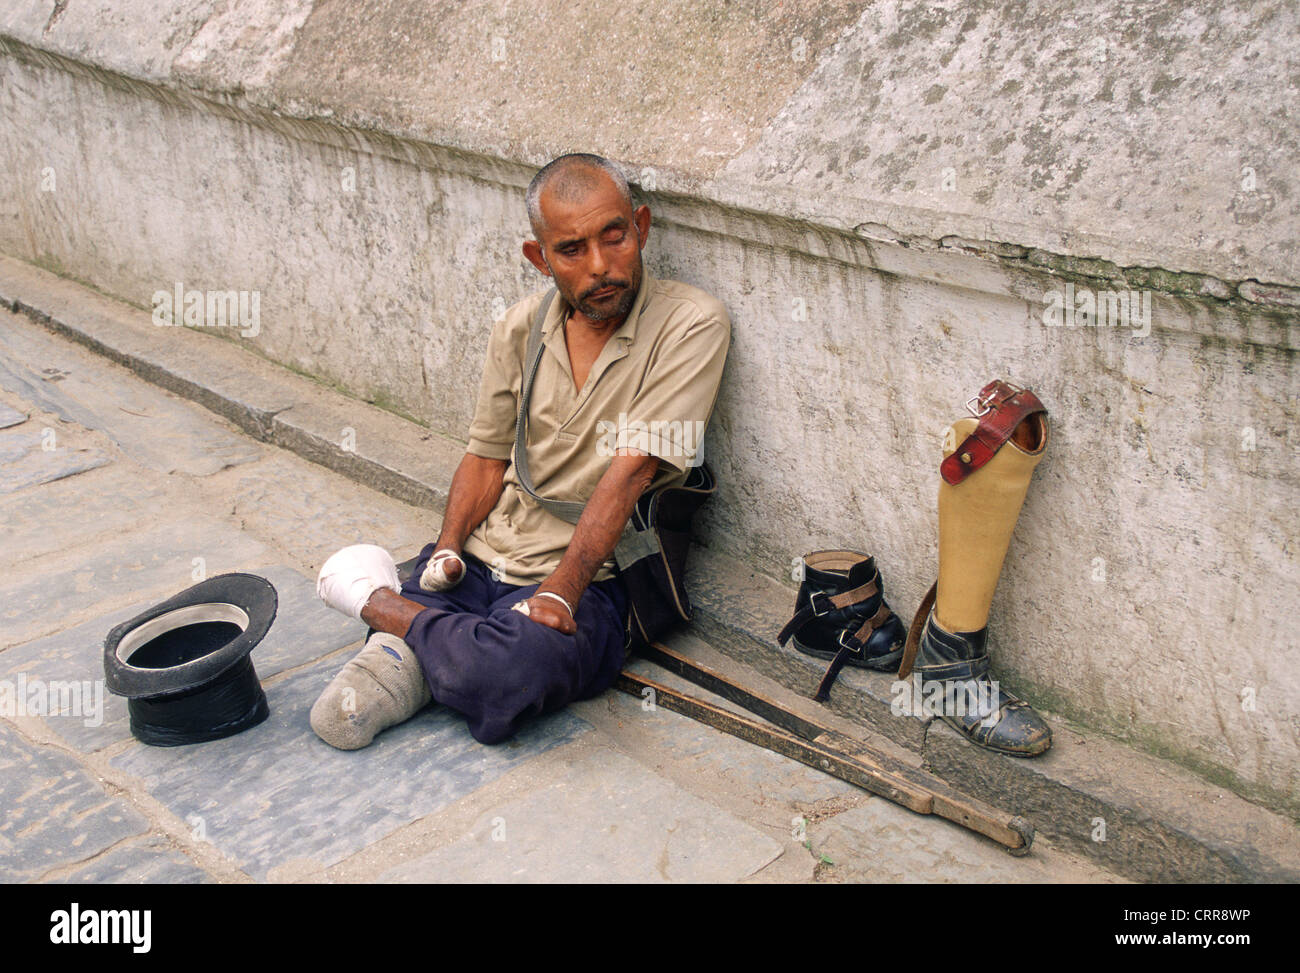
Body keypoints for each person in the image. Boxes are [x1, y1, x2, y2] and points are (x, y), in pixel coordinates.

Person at [311, 153, 731, 749]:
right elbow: (485, 457)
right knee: (338, 717)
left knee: (513, 671)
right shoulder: (518, 327)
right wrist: (450, 548)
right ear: (540, 258)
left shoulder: (692, 324)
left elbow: (634, 471)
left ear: (641, 227)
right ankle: (452, 638)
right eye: (571, 250)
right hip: (484, 558)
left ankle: (382, 609)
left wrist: (562, 589)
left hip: (589, 577)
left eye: (615, 237)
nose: (601, 265)